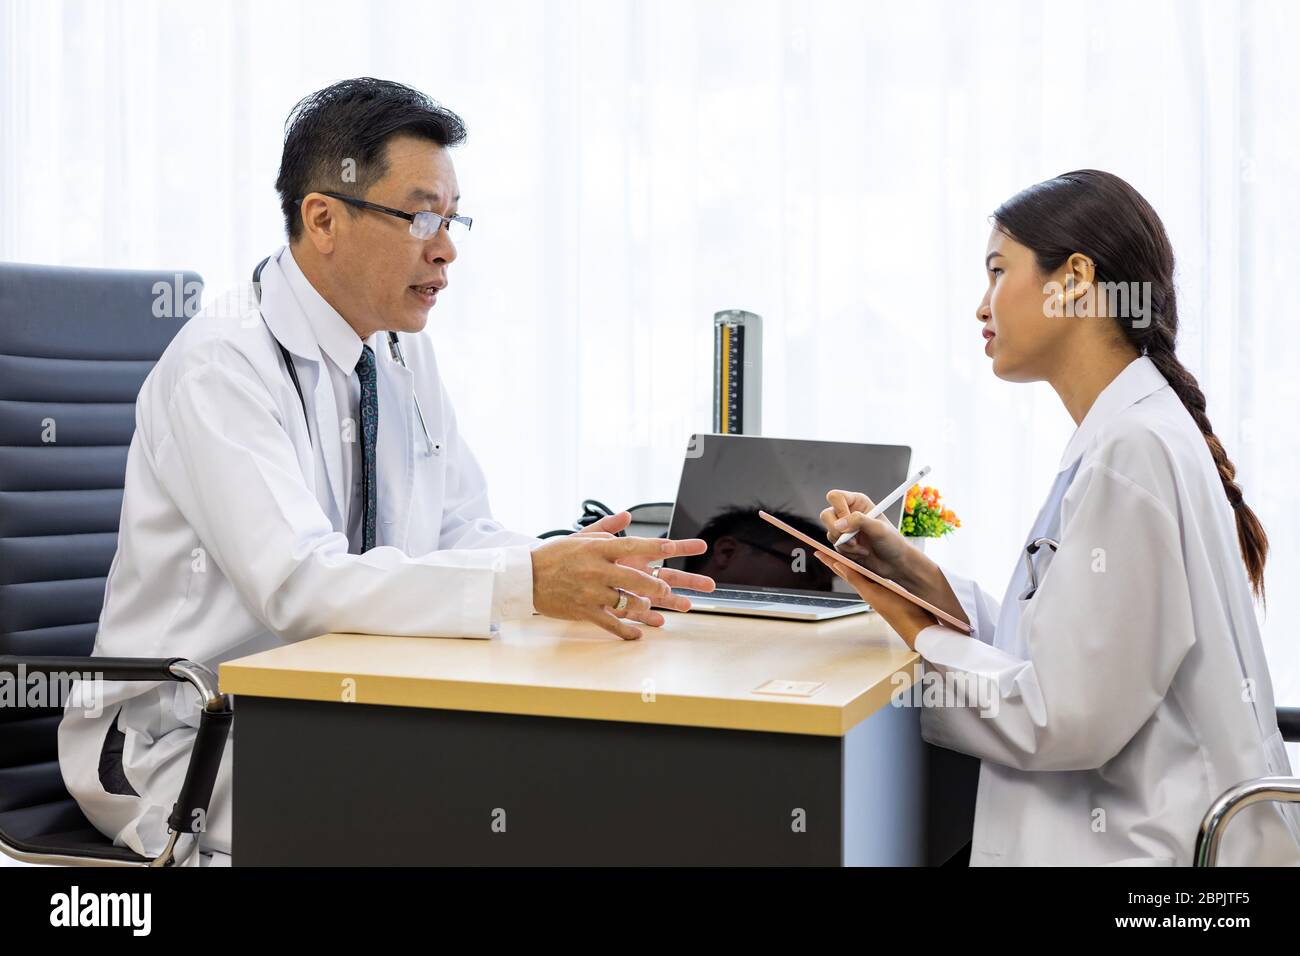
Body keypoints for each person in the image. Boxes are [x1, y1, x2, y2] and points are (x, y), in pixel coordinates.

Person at [58, 78, 714, 866]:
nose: (446, 249)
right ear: (324, 218)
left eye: (454, 218)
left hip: (338, 708)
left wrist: (582, 572)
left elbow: (459, 525)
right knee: (478, 810)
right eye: (422, 217)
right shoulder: (221, 365)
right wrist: (524, 584)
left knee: (567, 768)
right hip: (186, 739)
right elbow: (299, 585)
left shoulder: (399, 351)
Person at [816, 169, 1300, 866]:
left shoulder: (1132, 450)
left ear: (1074, 279)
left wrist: (919, 632)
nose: (981, 308)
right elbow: (1061, 647)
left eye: (997, 271)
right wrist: (918, 578)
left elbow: (1061, 718)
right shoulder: (1130, 433)